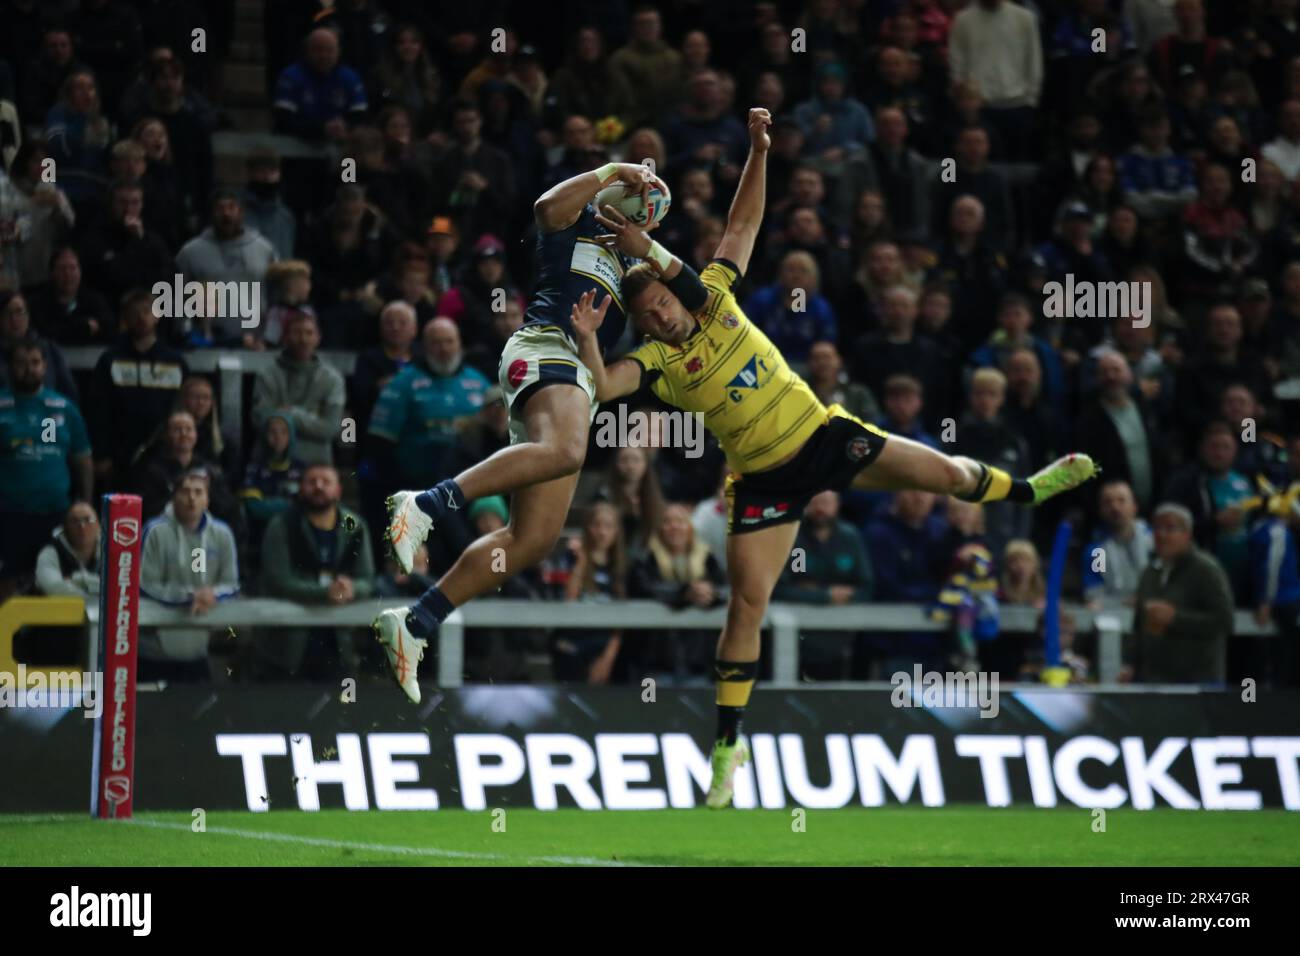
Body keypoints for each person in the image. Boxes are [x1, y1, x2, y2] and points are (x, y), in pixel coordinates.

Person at [570, 108, 1098, 808]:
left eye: (663, 303)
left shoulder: (717, 299)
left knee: (943, 474)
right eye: (649, 316)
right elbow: (604, 389)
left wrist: (757, 149)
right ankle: (727, 747)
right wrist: (585, 336)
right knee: (746, 607)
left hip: (825, 438)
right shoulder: (656, 364)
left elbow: (744, 225)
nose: (661, 316)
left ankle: (1028, 490)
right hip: (764, 481)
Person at [372, 151, 667, 703]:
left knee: (532, 539)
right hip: (543, 349)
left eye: (647, 213)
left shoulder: (633, 268)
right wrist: (611, 171)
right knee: (565, 451)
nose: (641, 215)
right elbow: (545, 204)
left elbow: (675, 300)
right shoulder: (574, 223)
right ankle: (425, 505)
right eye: (636, 205)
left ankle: (414, 624)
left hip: (577, 373)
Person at [256, 464, 377, 680]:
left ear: (338, 490)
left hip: (339, 642)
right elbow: (278, 581)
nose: (318, 487)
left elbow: (367, 579)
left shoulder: (355, 526)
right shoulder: (281, 526)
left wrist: (351, 589)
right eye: (311, 481)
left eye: (325, 481)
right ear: (301, 488)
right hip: (288, 646)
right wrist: (326, 593)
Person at [0, 337, 93, 600]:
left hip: (55, 514)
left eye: (35, 362)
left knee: (54, 585)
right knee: (6, 588)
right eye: (21, 363)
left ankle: (50, 640)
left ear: (45, 366)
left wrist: (84, 502)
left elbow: (82, 459)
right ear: (9, 367)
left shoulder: (62, 408)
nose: (29, 369)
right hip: (8, 515)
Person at [138, 469, 240, 682]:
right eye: (185, 491)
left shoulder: (222, 534)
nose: (191, 497)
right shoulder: (154, 531)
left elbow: (232, 584)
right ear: (174, 497)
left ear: (207, 500)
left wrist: (213, 594)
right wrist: (188, 596)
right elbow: (144, 585)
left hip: (197, 651)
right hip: (153, 652)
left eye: (198, 492)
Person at [1127, 502, 1235, 684]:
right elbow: (1138, 626)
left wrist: (1175, 618)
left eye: (1170, 528)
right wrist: (1130, 665)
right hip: (1154, 680)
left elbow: (1225, 621)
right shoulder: (1149, 573)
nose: (1161, 535)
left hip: (1199, 682)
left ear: (1187, 534)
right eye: (1157, 528)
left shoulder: (1206, 570)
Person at [249, 311, 345, 466]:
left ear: (318, 338)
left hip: (316, 465)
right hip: (272, 463)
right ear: (285, 337)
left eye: (309, 333)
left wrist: (290, 414)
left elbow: (331, 428)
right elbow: (260, 420)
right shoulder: (267, 374)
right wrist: (312, 419)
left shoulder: (333, 379)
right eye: (297, 333)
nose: (303, 339)